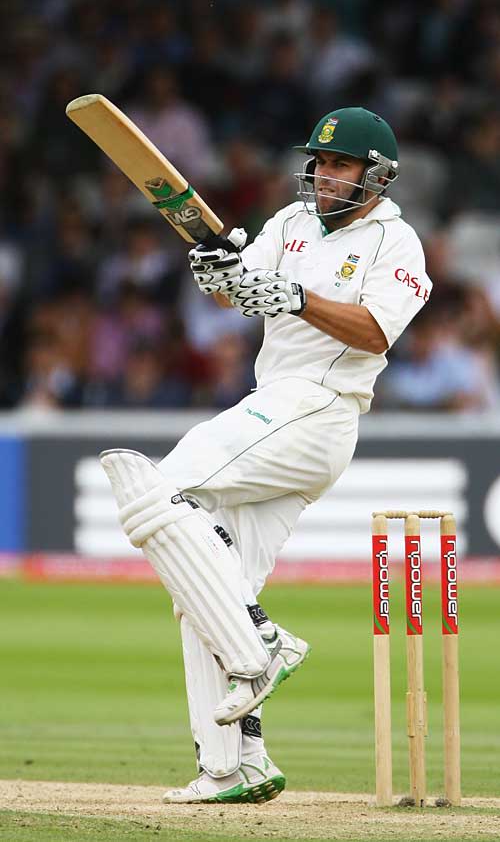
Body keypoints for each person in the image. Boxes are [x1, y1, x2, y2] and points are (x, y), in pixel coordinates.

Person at [101, 107, 432, 804]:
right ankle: (235, 763)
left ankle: (261, 640)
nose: (324, 173)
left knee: (162, 487)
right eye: (320, 161)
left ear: (377, 175)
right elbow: (236, 292)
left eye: (342, 164)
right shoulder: (287, 223)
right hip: (276, 405)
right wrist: (216, 272)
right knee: (203, 591)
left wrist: (291, 294)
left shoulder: (396, 244)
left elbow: (374, 333)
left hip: (320, 406)